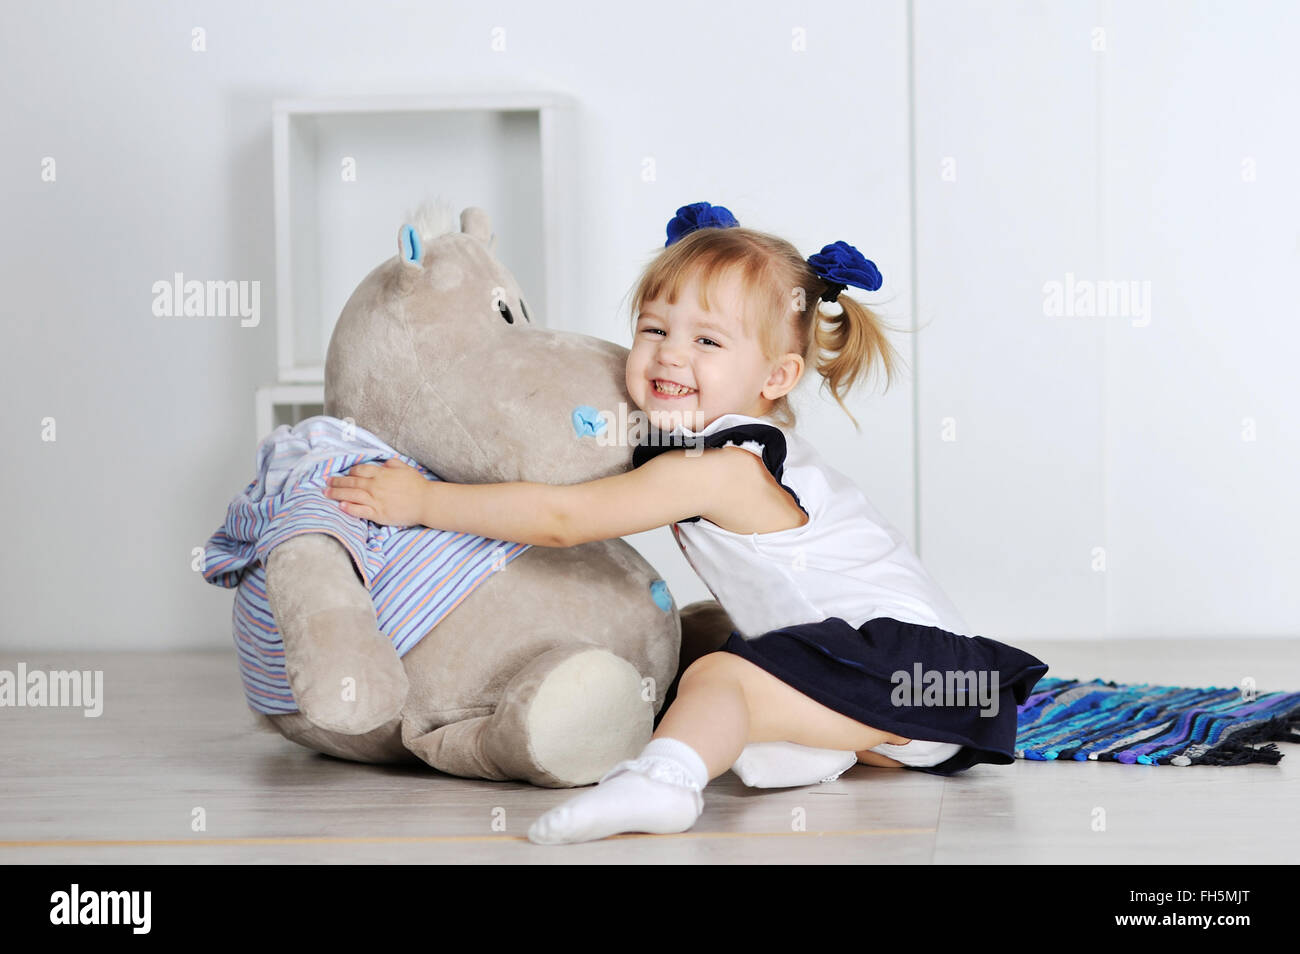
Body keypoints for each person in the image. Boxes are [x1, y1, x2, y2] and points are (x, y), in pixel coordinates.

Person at [322, 201, 1050, 845]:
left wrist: (422, 503)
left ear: (775, 379)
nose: (670, 351)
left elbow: (563, 518)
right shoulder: (726, 447)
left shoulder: (726, 466)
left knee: (717, 675)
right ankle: (813, 742)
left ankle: (664, 783)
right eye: (653, 328)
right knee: (728, 648)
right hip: (930, 703)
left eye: (707, 341)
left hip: (924, 676)